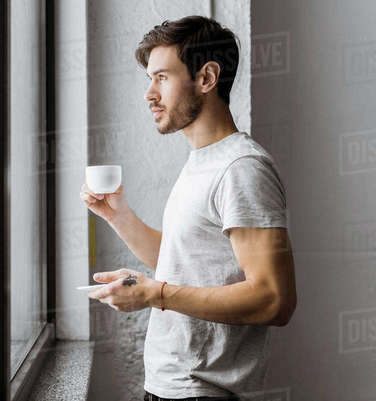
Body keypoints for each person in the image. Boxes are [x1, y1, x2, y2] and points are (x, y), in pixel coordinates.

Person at [81, 16, 297, 401]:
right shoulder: (204, 160)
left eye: (162, 77)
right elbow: (187, 261)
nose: (149, 94)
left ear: (206, 78)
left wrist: (155, 294)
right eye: (150, 79)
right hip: (174, 388)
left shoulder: (241, 167)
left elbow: (274, 299)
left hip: (203, 392)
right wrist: (118, 216)